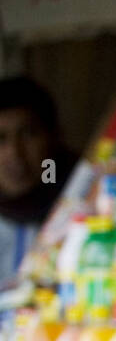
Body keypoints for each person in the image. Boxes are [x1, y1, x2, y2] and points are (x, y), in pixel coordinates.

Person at [0, 76, 76, 286]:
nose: (14, 153)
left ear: (53, 138)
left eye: (28, 134)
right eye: (1, 139)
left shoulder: (83, 201)